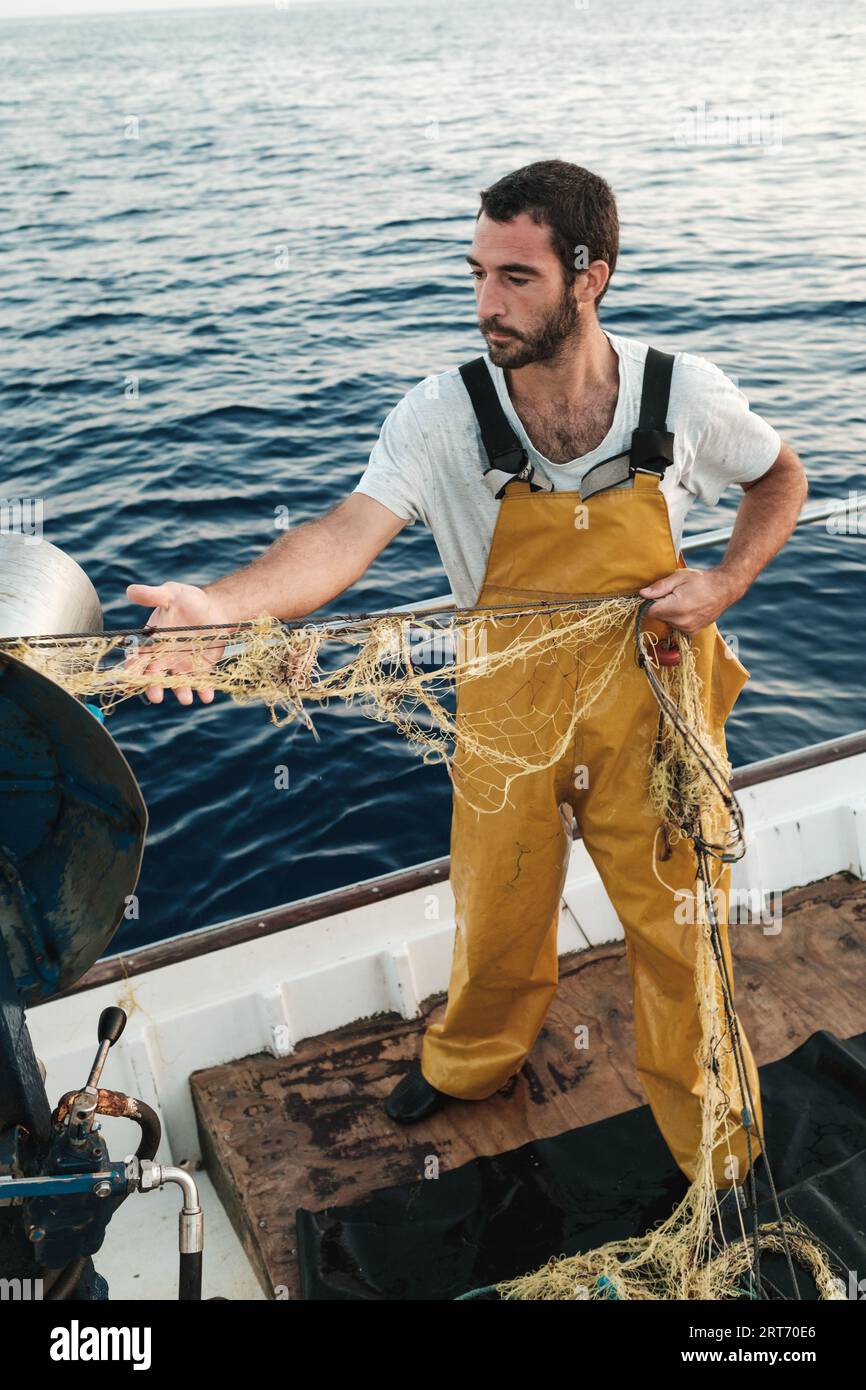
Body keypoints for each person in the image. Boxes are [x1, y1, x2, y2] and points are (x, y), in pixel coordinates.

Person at [127, 159, 807, 1188]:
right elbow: (344, 533)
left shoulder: (680, 393)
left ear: (591, 277)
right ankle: (473, 1060)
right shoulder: (440, 417)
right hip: (506, 710)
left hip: (653, 706)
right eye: (475, 272)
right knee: (497, 909)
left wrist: (723, 579)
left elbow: (779, 478)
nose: (485, 303)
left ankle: (713, 1135)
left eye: (516, 277)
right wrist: (222, 606)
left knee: (679, 926)